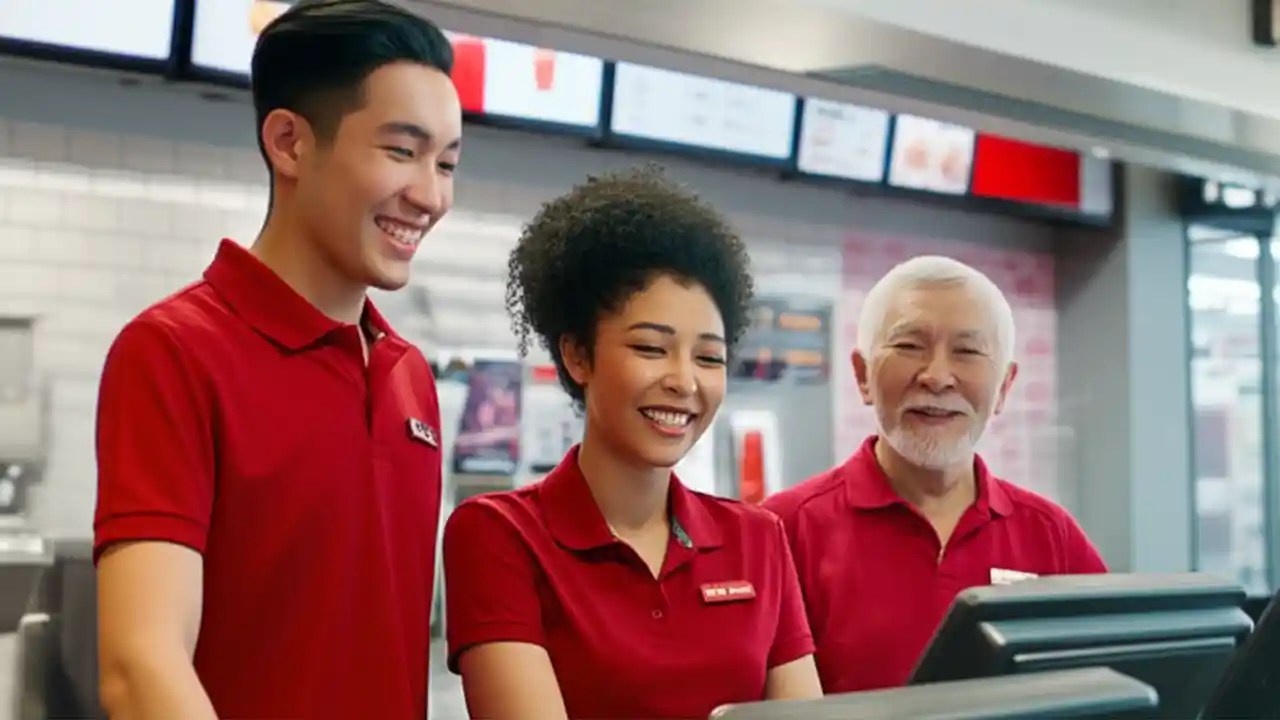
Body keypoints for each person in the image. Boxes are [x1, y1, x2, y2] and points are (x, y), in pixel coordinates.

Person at [92, 2, 461, 718]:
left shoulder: (409, 376)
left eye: (446, 163)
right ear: (289, 143)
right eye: (401, 152)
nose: (431, 195)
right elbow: (140, 667)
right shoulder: (174, 351)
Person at [443, 166, 823, 719]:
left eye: (709, 357)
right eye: (650, 348)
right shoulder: (499, 536)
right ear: (578, 355)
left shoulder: (758, 539)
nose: (684, 381)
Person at [763, 255, 1107, 694]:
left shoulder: (1052, 536)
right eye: (910, 346)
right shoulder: (780, 531)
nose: (938, 377)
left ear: (1004, 387)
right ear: (863, 375)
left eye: (967, 351)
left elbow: (1114, 688)